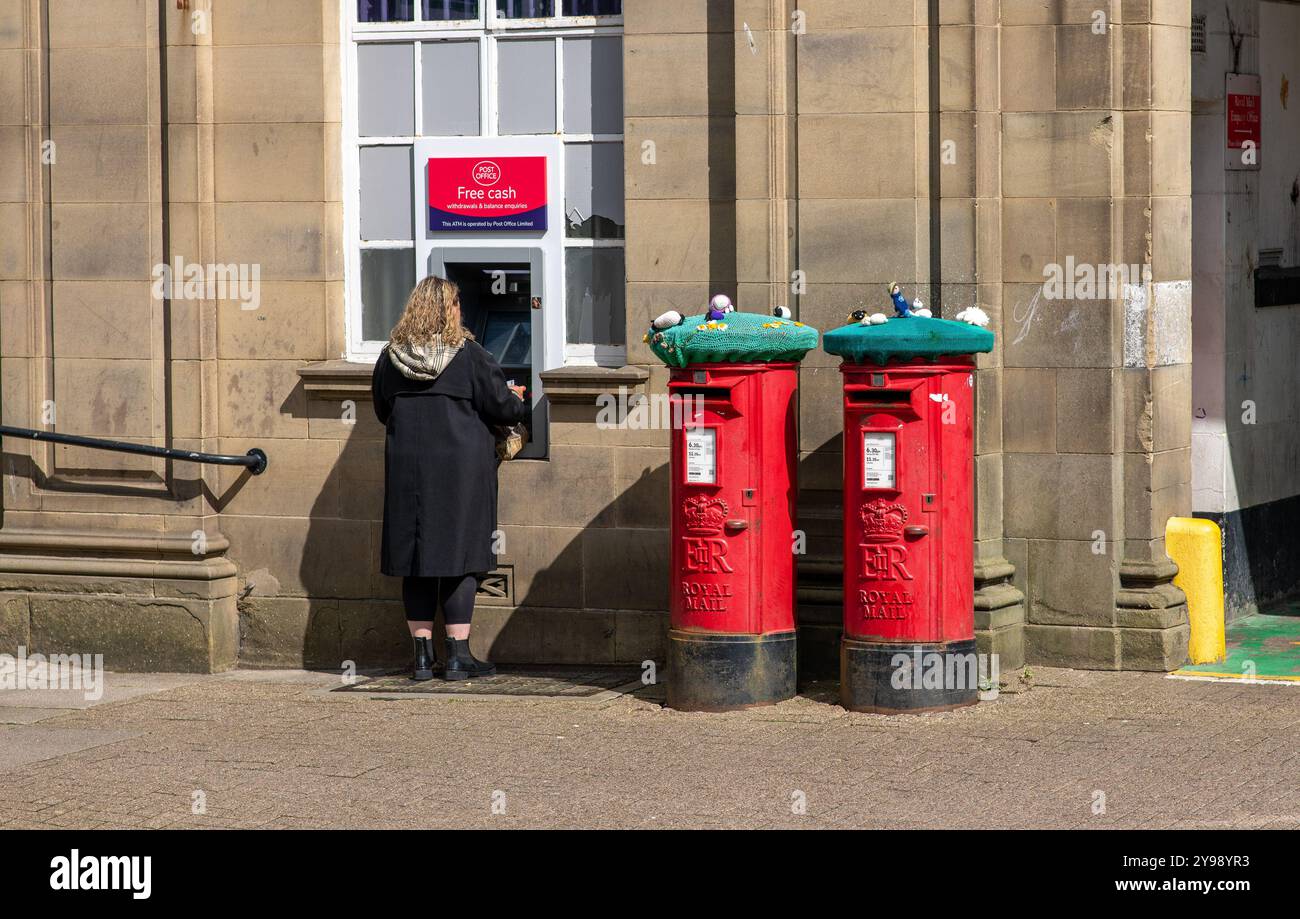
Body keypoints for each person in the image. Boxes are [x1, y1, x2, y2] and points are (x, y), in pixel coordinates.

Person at [372, 276, 528, 681]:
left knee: (416, 559)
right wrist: (518, 400)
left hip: (409, 470)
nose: (461, 310)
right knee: (461, 558)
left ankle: (423, 658)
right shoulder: (469, 355)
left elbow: (381, 409)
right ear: (450, 309)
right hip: (462, 472)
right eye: (457, 304)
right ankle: (458, 656)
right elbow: (503, 407)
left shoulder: (390, 358)